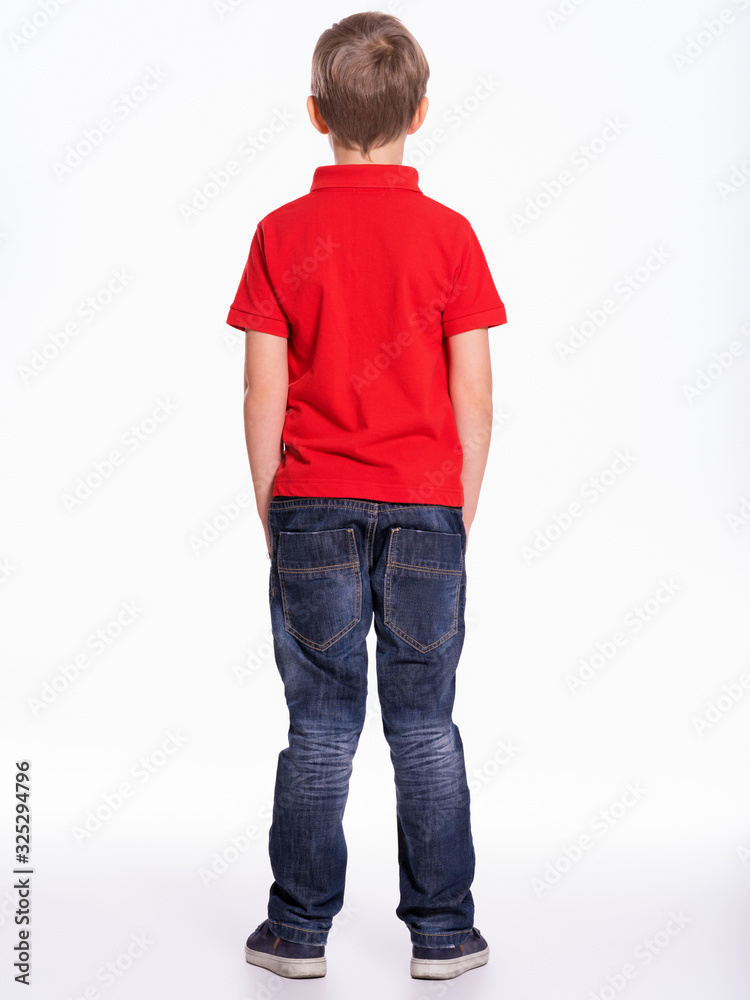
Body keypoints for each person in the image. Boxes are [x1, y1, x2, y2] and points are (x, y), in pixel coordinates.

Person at [225, 10, 507, 982]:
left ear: (315, 114)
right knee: (425, 721)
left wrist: (276, 508)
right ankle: (445, 933)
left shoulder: (280, 233)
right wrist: (453, 508)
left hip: (311, 503)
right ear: (420, 113)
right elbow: (475, 394)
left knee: (320, 722)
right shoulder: (451, 237)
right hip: (429, 506)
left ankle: (298, 933)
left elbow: (264, 391)